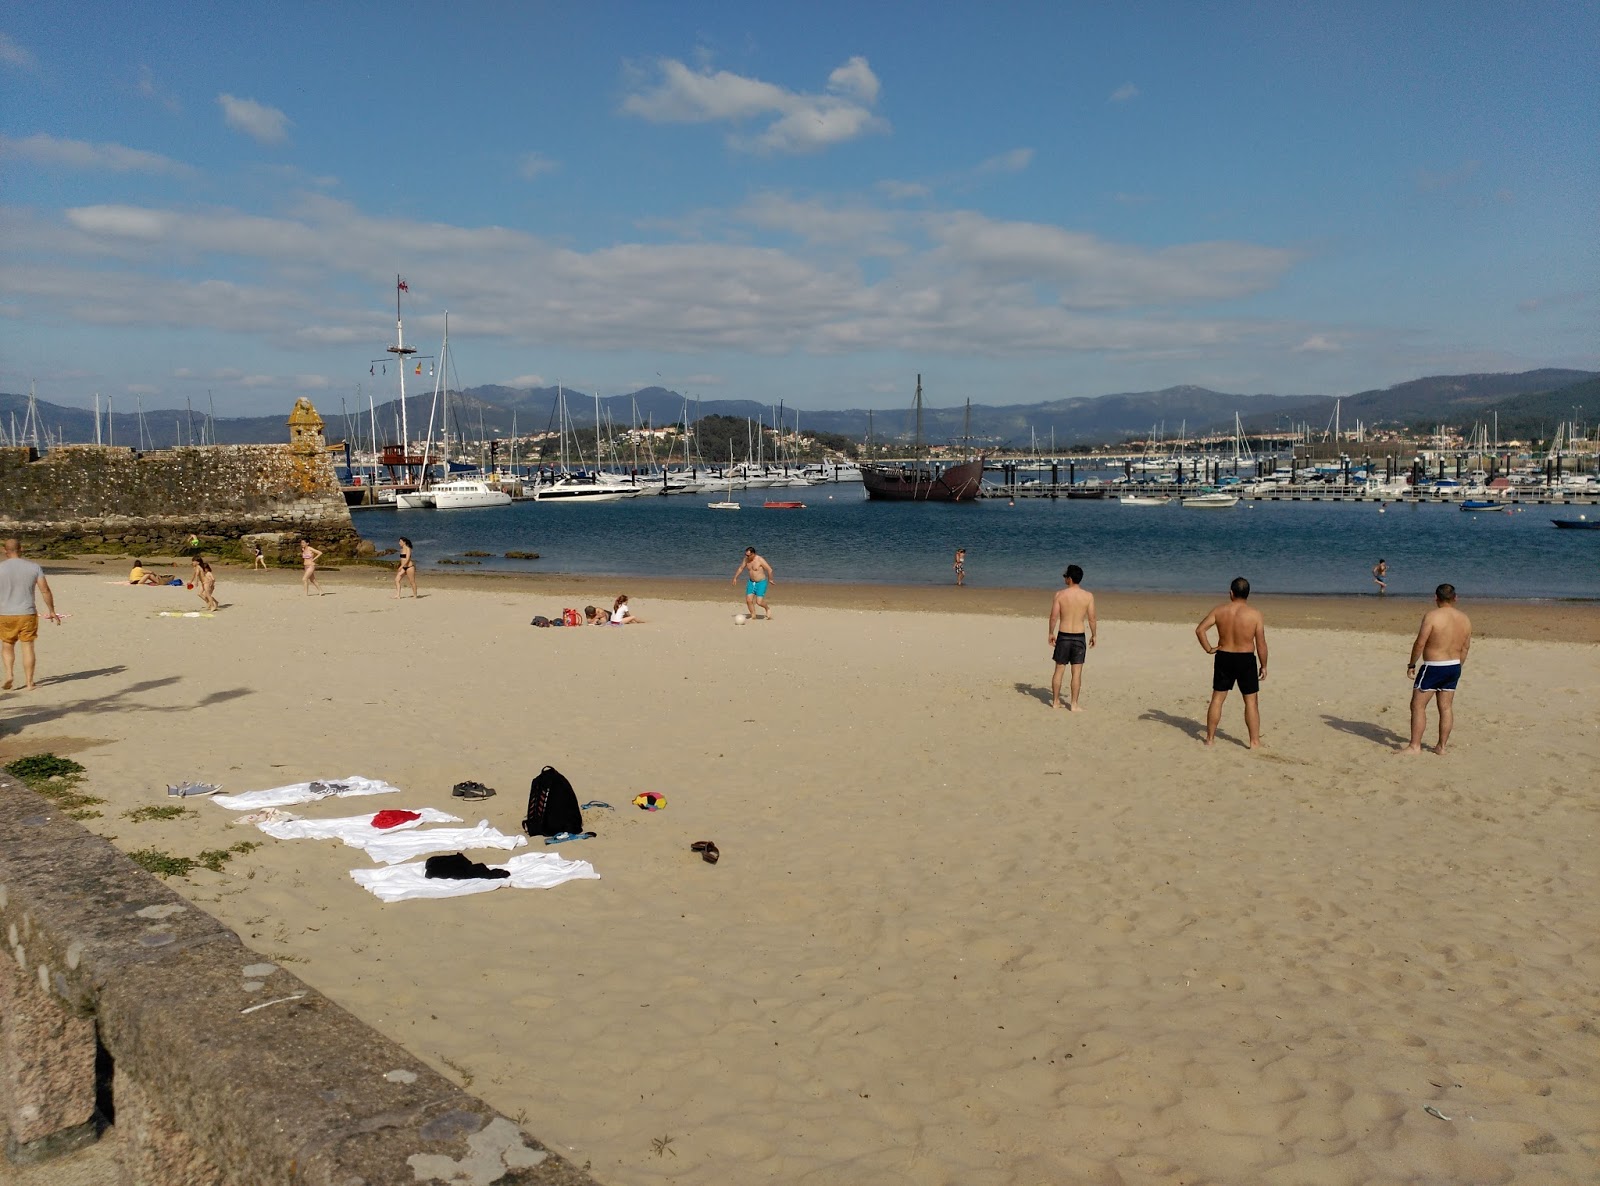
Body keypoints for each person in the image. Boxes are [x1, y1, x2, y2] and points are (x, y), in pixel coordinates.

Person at [1195, 576, 1269, 748]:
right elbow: (1261, 643)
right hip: (1245, 659)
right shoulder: (1255, 615)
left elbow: (1200, 630)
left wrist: (1209, 648)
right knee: (1250, 701)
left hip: (1224, 656)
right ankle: (1254, 741)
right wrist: (1264, 665)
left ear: (1231, 593)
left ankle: (1210, 739)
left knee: (1217, 699)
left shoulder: (1220, 611)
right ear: (1248, 594)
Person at [1401, 583, 1472, 755]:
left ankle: (1415, 746)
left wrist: (1412, 664)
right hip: (1454, 666)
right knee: (1446, 707)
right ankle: (1441, 746)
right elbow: (1465, 648)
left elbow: (1420, 642)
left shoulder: (1432, 616)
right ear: (1455, 598)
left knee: (1417, 705)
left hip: (1434, 666)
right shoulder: (1464, 619)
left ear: (1436, 598)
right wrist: (1458, 667)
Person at [0, 538, 61, 692]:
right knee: (27, 646)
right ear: (21, 549)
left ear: (4, 550)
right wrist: (51, 610)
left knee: (7, 645)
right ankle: (29, 683)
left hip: (5, 613)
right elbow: (45, 590)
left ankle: (9, 674)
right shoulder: (34, 567)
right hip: (27, 613)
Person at [1047, 564, 1097, 711]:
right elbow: (1092, 618)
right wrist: (1094, 634)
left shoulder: (1060, 595)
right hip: (1079, 637)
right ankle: (1074, 704)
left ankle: (1055, 701)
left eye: (1065, 575)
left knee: (1059, 669)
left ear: (1069, 578)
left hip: (1064, 635)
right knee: (1077, 672)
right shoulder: (1088, 596)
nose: (1064, 577)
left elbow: (1053, 617)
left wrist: (1051, 632)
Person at [733, 546, 774, 620]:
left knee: (759, 602)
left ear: (753, 554)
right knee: (749, 600)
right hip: (751, 582)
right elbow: (741, 568)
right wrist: (735, 577)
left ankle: (767, 608)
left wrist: (770, 579)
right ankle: (753, 615)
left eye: (748, 555)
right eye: (746, 555)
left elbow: (769, 569)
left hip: (761, 582)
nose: (746, 556)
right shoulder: (746, 560)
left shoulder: (760, 560)